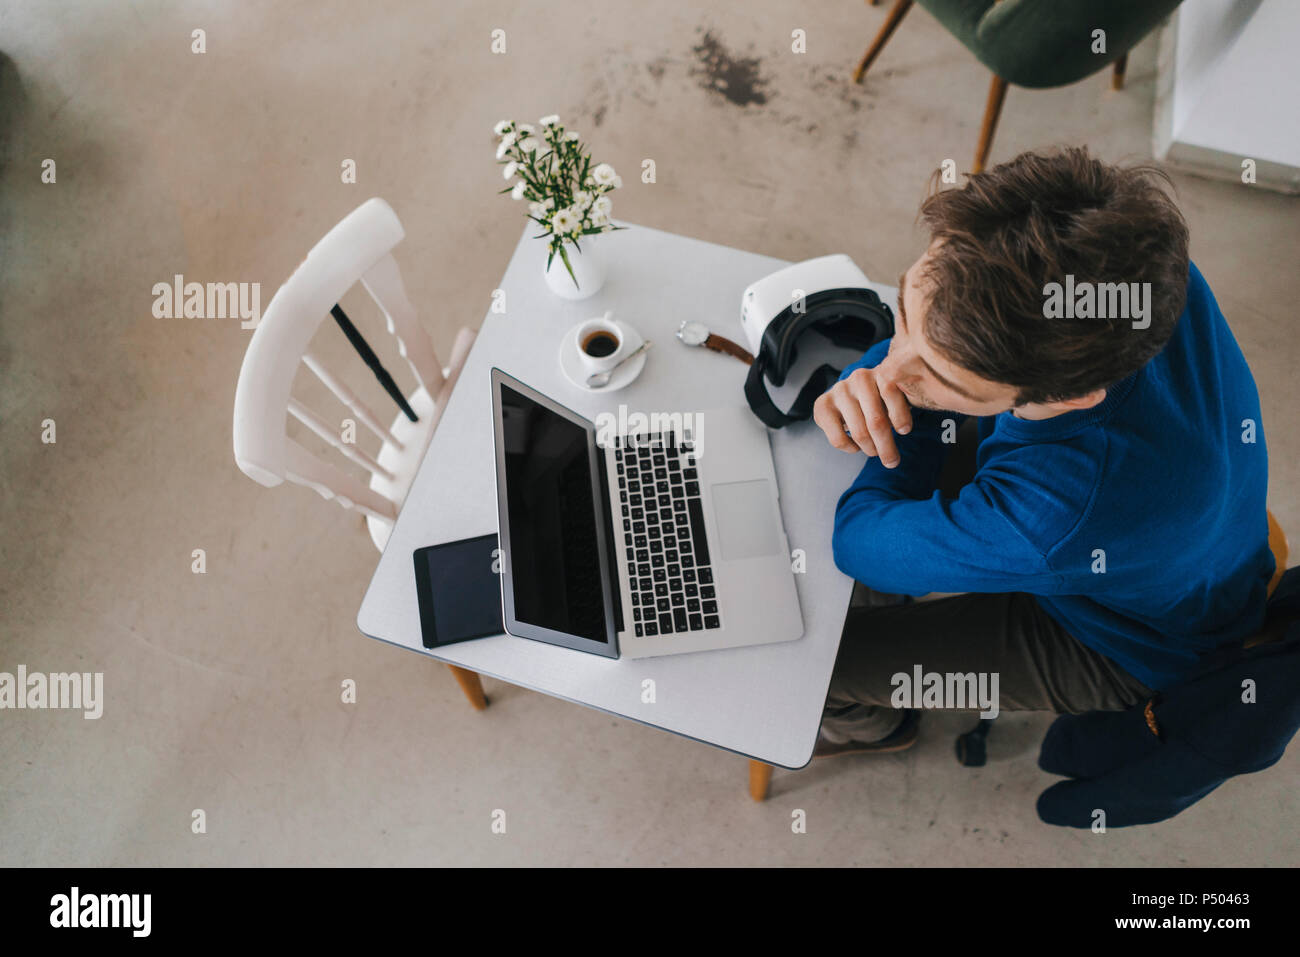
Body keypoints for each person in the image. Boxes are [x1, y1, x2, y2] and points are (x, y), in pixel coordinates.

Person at [812, 146, 1273, 756]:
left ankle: (877, 727)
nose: (888, 370)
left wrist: (898, 423)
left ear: (1070, 395)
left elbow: (859, 546)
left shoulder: (1051, 512)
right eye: (902, 313)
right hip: (1200, 543)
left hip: (1125, 644)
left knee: (822, 671)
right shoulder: (1134, 261)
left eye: (939, 375)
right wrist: (885, 383)